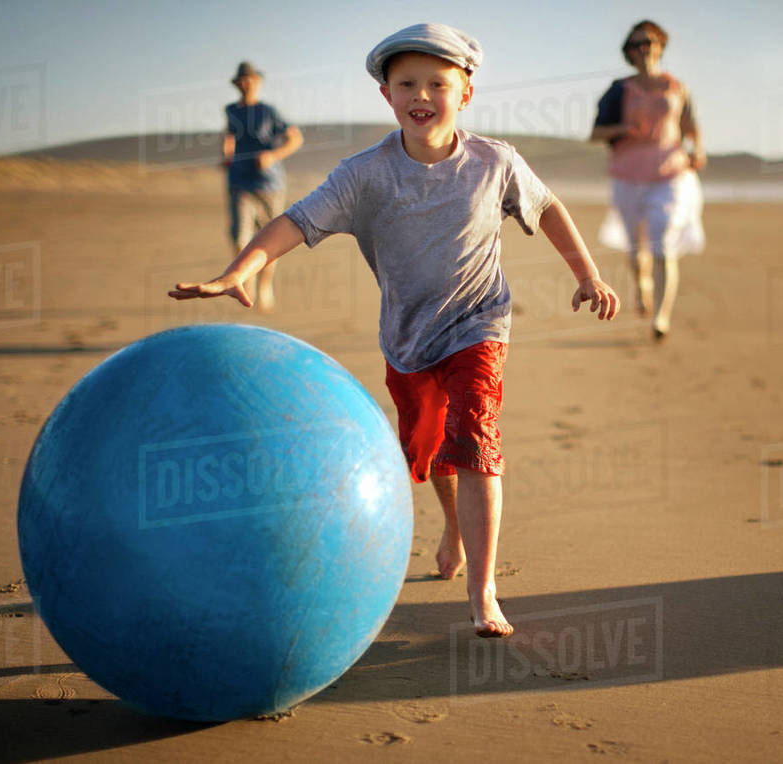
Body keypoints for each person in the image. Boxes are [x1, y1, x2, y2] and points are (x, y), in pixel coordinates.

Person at [171, 24, 620, 639]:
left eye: (438, 82)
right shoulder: (364, 175)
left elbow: (547, 211)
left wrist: (588, 273)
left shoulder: (495, 162)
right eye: (407, 82)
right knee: (431, 450)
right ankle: (453, 522)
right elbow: (295, 222)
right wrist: (239, 269)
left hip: (479, 325)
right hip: (408, 341)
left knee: (478, 443)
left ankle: (483, 590)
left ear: (465, 92)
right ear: (386, 95)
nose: (422, 93)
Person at [590, 20, 706, 341]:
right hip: (628, 174)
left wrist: (698, 150)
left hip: (670, 172)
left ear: (660, 47)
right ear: (629, 51)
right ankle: (642, 285)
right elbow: (595, 132)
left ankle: (661, 317)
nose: (645, 49)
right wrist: (623, 130)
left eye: (650, 43)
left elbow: (690, 126)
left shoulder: (676, 87)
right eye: (638, 44)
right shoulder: (619, 90)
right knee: (634, 245)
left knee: (662, 241)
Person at [223, 61, 304, 313]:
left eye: (250, 79)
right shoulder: (231, 110)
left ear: (257, 82)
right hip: (239, 179)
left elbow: (295, 138)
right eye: (242, 80)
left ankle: (265, 285)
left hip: (269, 182)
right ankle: (245, 278)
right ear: (237, 84)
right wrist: (226, 154)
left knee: (270, 238)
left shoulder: (268, 111)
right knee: (239, 236)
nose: (246, 83)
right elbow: (228, 135)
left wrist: (272, 156)